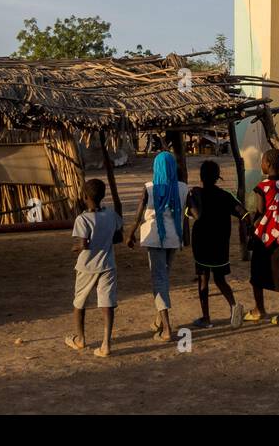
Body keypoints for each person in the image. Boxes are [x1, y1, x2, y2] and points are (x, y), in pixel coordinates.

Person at [126, 151, 189, 342]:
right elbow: (190, 214)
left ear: (156, 168)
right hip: (173, 238)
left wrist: (130, 234)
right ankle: (159, 320)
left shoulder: (149, 188)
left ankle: (167, 329)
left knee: (159, 280)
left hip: (154, 239)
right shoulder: (183, 188)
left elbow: (138, 215)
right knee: (164, 277)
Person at [186, 160, 247, 329]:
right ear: (217, 177)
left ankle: (206, 318)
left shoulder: (196, 194)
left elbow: (193, 214)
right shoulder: (225, 195)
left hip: (202, 245)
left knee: (203, 280)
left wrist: (191, 198)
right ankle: (234, 307)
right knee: (220, 279)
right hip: (221, 245)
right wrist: (249, 226)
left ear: (201, 177)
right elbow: (243, 212)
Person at [67, 178, 122, 358]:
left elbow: (83, 244)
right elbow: (117, 238)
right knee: (107, 303)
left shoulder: (82, 219)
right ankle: (106, 343)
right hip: (107, 264)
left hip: (87, 266)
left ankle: (80, 338)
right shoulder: (111, 215)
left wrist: (74, 247)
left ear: (84, 197)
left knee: (79, 301)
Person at [245, 148, 279, 326]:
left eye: (262, 161)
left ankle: (259, 309)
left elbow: (260, 212)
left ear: (267, 164)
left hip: (265, 236)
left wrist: (253, 226)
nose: (261, 164)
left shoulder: (263, 187)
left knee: (257, 271)